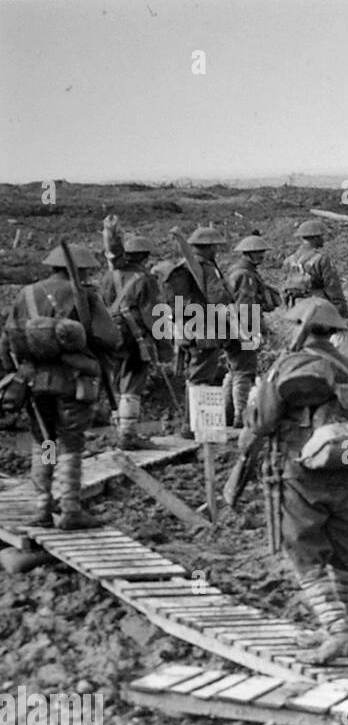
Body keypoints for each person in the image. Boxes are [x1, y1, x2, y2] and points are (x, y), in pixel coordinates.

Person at [242, 299, 348, 664]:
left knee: (303, 549)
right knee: (344, 546)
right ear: (332, 331)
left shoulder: (290, 364)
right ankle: (335, 624)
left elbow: (263, 421)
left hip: (301, 468)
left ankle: (341, 631)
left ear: (299, 325)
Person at [1, 244, 120, 529]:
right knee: (71, 441)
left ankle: (42, 507)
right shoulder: (86, 296)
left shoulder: (26, 294)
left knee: (45, 441)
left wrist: (16, 374)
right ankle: (70, 509)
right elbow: (110, 338)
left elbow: (6, 342)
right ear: (80, 271)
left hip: (34, 382)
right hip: (73, 382)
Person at [162, 225, 235, 437]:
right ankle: (198, 427)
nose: (216, 251)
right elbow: (217, 298)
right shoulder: (206, 268)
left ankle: (190, 424)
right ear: (209, 247)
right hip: (205, 330)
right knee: (201, 377)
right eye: (215, 247)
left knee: (193, 375)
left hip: (186, 329)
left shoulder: (181, 268)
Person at [100, 227, 166, 448]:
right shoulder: (145, 279)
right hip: (134, 335)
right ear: (145, 257)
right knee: (133, 380)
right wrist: (162, 342)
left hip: (109, 333)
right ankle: (128, 435)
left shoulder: (108, 276)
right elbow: (153, 315)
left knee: (116, 380)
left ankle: (118, 430)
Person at [224, 233, 278, 427]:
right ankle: (240, 417)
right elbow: (247, 307)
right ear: (249, 254)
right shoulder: (245, 275)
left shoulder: (235, 270)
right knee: (244, 371)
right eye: (258, 252)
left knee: (233, 370)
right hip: (243, 327)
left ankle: (228, 413)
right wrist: (254, 332)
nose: (262, 256)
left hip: (230, 325)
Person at [283, 219, 348, 318]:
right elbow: (333, 288)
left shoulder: (289, 260)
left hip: (296, 309)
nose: (323, 239)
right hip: (317, 308)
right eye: (321, 236)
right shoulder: (321, 259)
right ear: (315, 238)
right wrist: (342, 313)